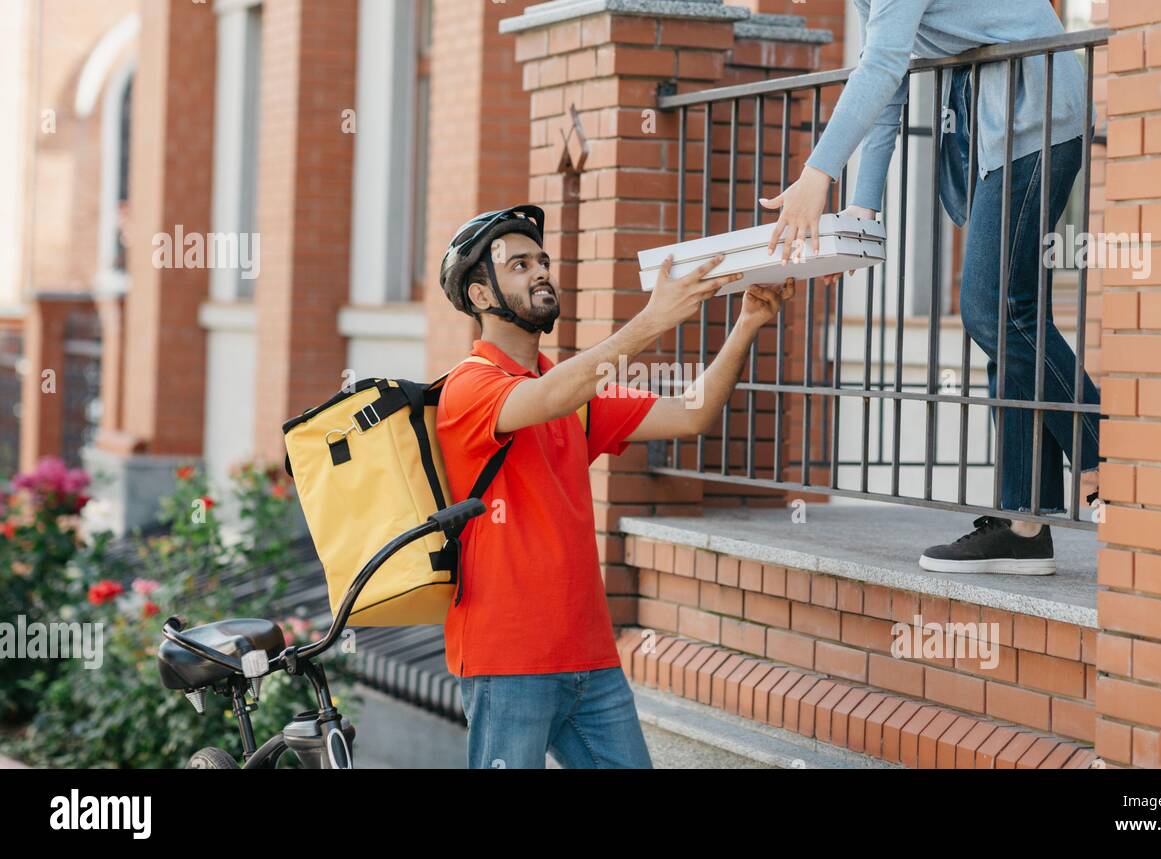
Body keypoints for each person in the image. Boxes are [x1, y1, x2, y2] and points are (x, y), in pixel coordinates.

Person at [435, 205, 794, 768]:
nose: (540, 272)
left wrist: (747, 322)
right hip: (507, 661)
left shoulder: (571, 395)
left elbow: (690, 414)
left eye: (543, 260)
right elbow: (549, 397)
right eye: (519, 264)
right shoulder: (470, 386)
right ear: (481, 297)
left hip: (591, 660)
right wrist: (654, 319)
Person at [760, 0, 1101, 576]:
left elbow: (882, 67)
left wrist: (818, 173)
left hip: (1037, 115)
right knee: (1008, 318)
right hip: (1001, 122)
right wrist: (863, 207)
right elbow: (887, 84)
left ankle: (1105, 449)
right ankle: (1023, 523)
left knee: (994, 309)